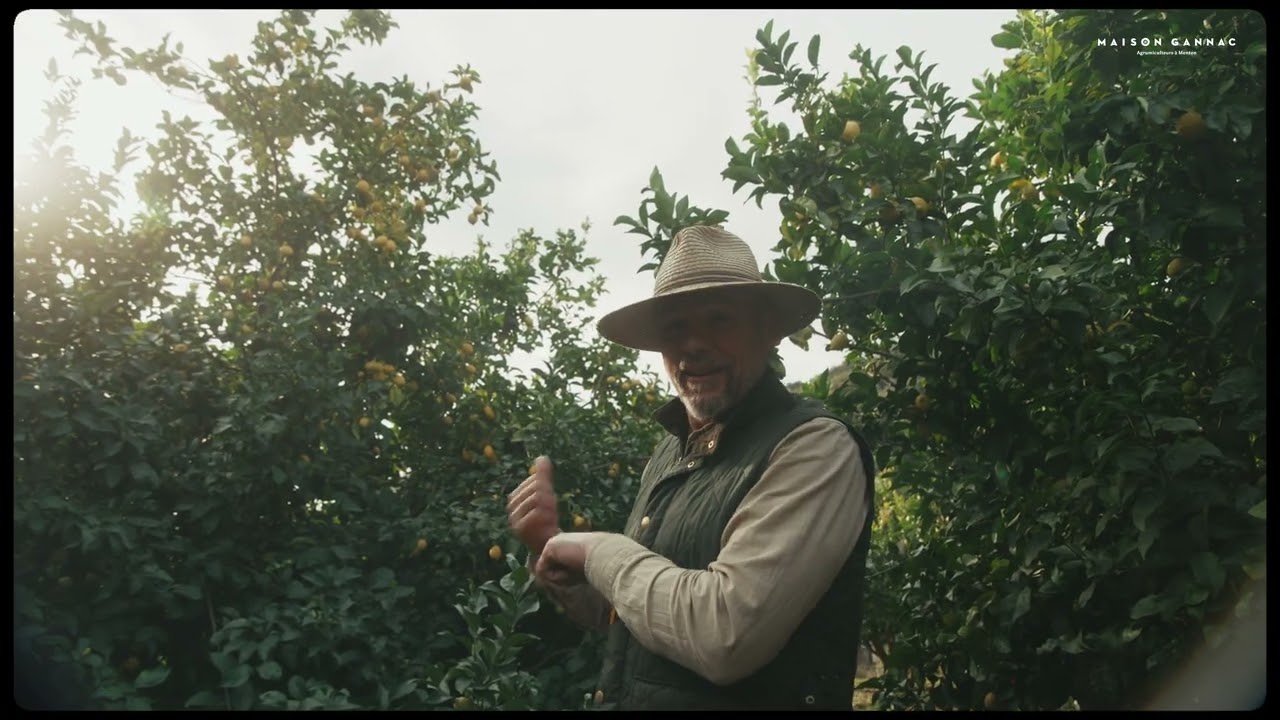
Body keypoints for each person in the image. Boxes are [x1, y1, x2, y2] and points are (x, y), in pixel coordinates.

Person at [506, 225, 875, 710]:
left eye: (719, 320)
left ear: (766, 332)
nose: (693, 344)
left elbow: (724, 636)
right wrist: (560, 562)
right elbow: (638, 615)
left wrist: (598, 551)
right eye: (675, 328)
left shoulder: (813, 446)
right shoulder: (670, 453)